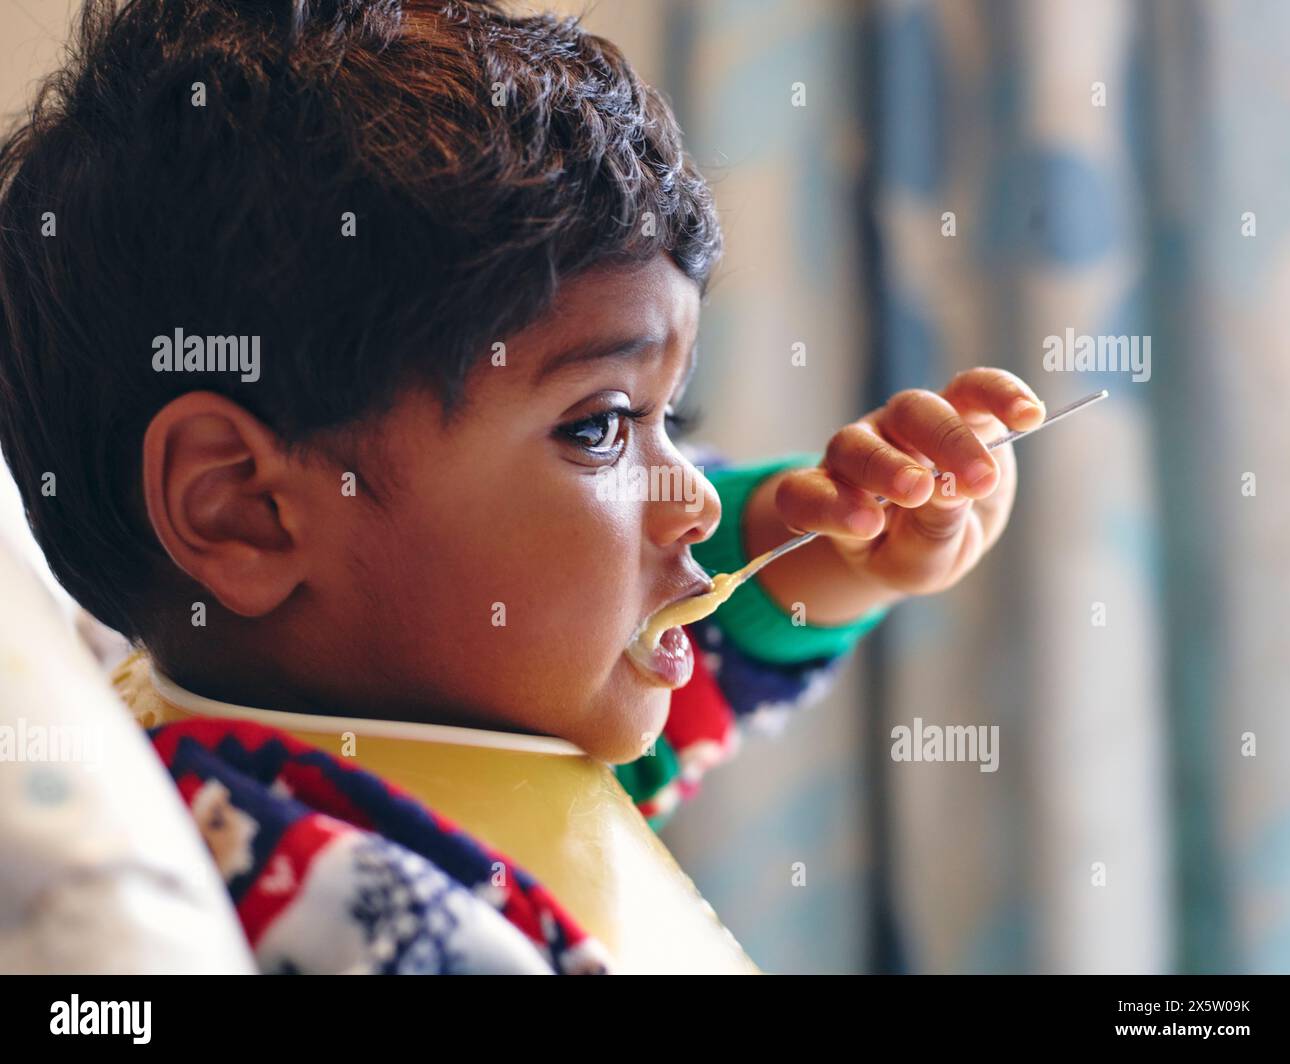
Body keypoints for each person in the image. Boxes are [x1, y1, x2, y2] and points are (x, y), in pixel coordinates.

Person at [0, 0, 1043, 973]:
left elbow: (703, 633)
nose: (701, 501)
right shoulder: (309, 891)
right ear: (243, 507)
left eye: (667, 417)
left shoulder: (482, 699)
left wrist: (841, 528)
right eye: (598, 426)